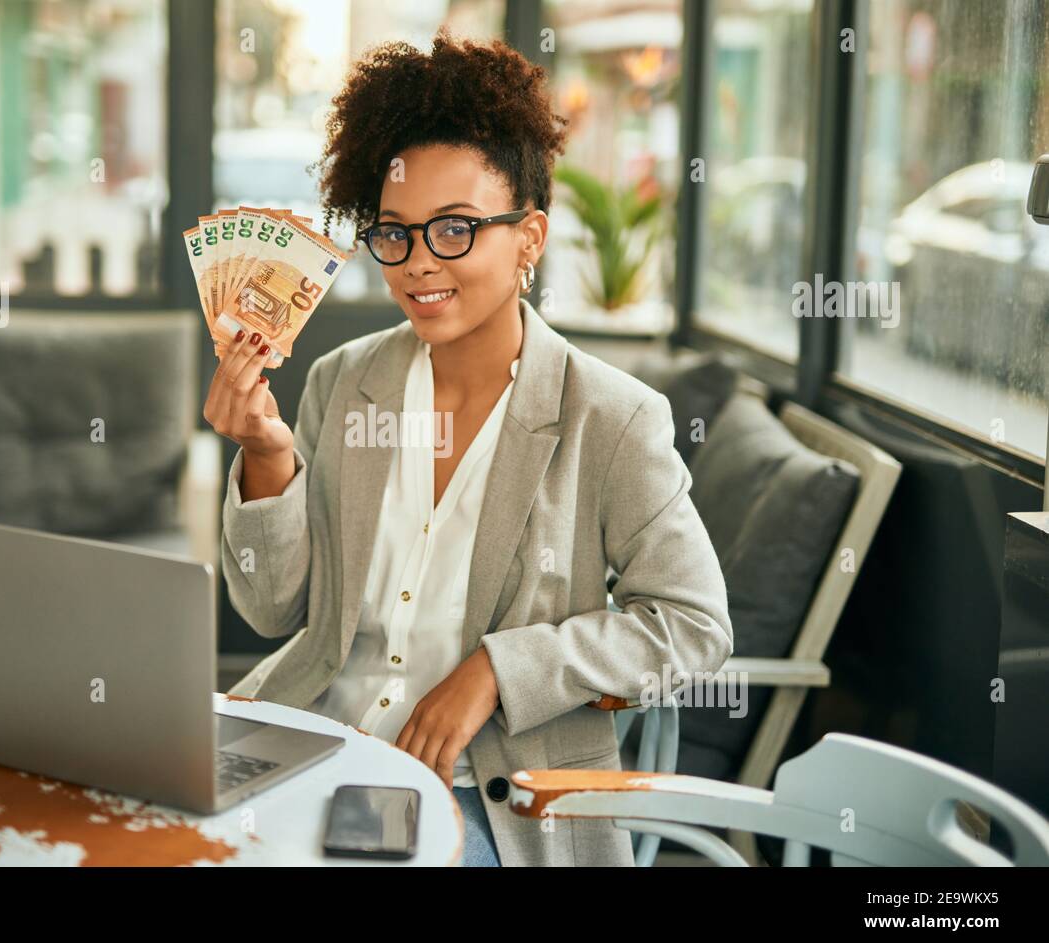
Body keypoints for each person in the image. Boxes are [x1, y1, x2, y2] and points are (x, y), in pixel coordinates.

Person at [206, 29, 732, 867]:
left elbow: (693, 627)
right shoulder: (343, 383)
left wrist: (497, 670)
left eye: (455, 229)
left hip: (488, 797)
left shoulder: (613, 418)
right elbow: (273, 613)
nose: (418, 264)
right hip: (316, 748)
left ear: (529, 238)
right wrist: (266, 455)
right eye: (395, 233)